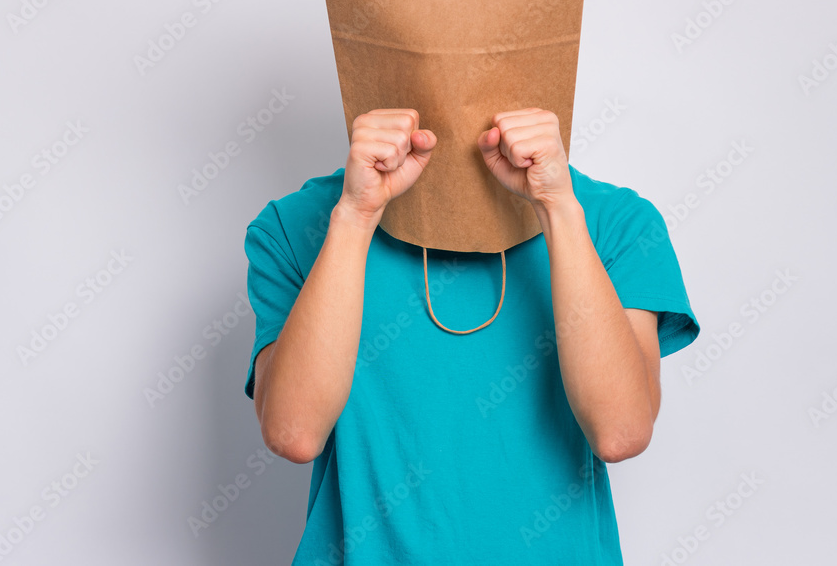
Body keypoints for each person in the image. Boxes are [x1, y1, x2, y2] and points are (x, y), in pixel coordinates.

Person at [243, 106, 700, 565]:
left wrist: (557, 208)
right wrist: (356, 216)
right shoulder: (297, 225)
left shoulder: (615, 222)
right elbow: (294, 434)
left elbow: (620, 433)